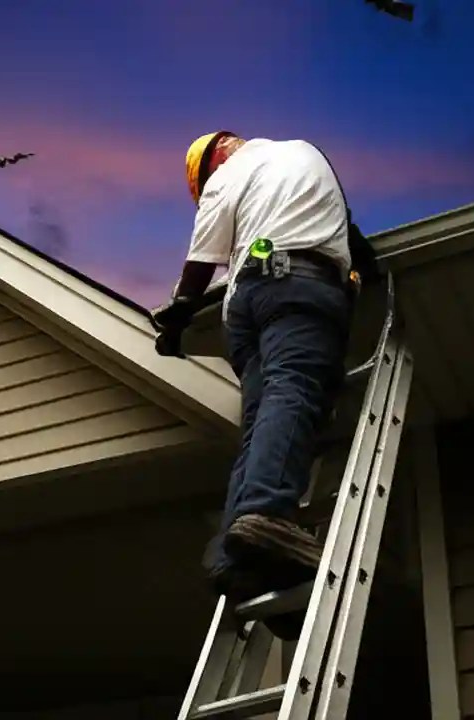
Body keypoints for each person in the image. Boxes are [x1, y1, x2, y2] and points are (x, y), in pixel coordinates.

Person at [151, 131, 367, 638]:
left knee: (260, 421)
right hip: (297, 281)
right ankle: (266, 515)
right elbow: (337, 221)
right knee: (294, 389)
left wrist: (181, 312)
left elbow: (201, 260)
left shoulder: (230, 176)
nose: (206, 186)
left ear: (218, 152)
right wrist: (357, 260)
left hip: (245, 305)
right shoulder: (300, 153)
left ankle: (236, 556)